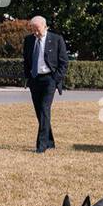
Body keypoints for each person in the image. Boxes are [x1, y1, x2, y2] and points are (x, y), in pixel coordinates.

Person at [22, 15, 68, 153]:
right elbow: (26, 61)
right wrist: (28, 78)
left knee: (44, 109)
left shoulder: (56, 39)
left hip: (49, 79)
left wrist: (55, 79)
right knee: (40, 112)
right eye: (32, 30)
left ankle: (41, 146)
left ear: (44, 26)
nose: (35, 33)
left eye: (37, 29)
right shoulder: (29, 40)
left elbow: (64, 62)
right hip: (35, 79)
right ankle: (50, 141)